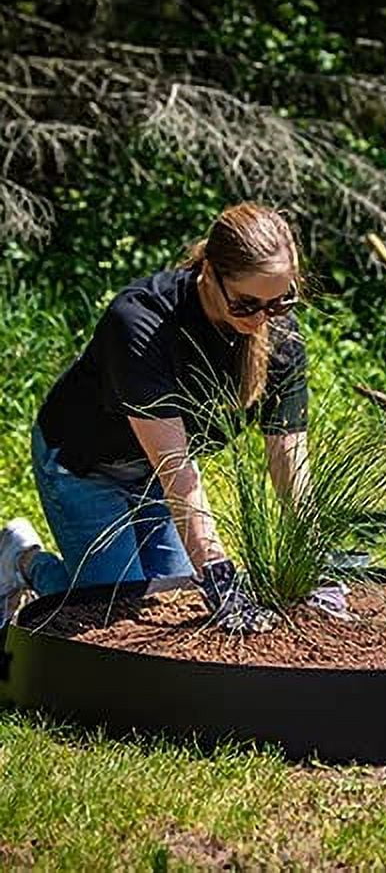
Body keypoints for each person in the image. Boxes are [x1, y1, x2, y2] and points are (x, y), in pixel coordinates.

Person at [0, 203, 309, 632]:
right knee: (113, 612)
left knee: (173, 599)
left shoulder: (280, 336)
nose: (262, 320)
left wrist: (312, 562)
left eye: (279, 302)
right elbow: (176, 471)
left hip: (152, 475)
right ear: (209, 272)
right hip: (84, 467)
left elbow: (288, 459)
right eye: (246, 305)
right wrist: (222, 581)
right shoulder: (141, 323)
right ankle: (22, 559)